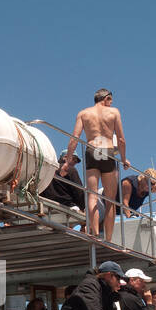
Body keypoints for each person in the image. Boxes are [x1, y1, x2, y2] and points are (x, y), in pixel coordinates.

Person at [66, 88, 128, 240]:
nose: (111, 104)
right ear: (106, 98)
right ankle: (108, 239)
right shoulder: (114, 112)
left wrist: (68, 160)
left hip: (92, 151)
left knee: (92, 196)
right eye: (110, 100)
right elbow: (121, 139)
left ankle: (94, 234)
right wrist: (124, 158)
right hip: (107, 151)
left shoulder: (83, 113)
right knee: (110, 200)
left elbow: (74, 137)